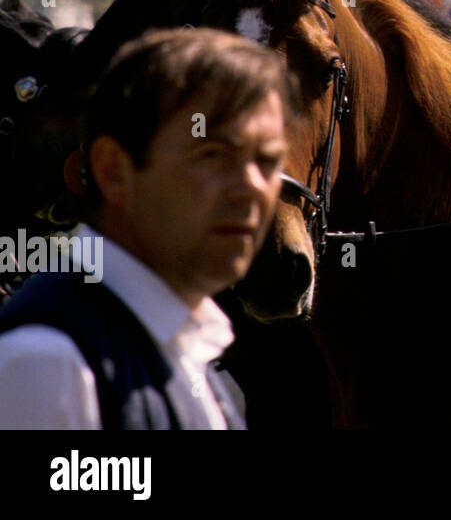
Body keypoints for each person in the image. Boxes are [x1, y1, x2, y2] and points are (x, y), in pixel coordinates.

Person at [0, 27, 291, 429]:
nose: (252, 189)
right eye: (213, 154)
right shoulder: (48, 360)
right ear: (113, 171)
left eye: (268, 162)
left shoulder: (189, 348)